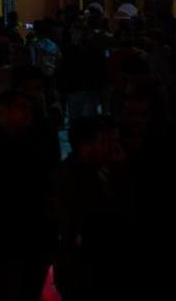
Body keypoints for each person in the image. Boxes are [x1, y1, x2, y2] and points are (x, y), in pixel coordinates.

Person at [0, 90, 58, 300]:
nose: (27, 113)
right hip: (4, 236)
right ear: (3, 110)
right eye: (22, 107)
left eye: (29, 108)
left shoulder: (39, 137)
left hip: (28, 235)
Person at [51, 116, 125, 301]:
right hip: (84, 268)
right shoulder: (73, 178)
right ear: (85, 146)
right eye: (103, 142)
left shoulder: (91, 171)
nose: (110, 147)